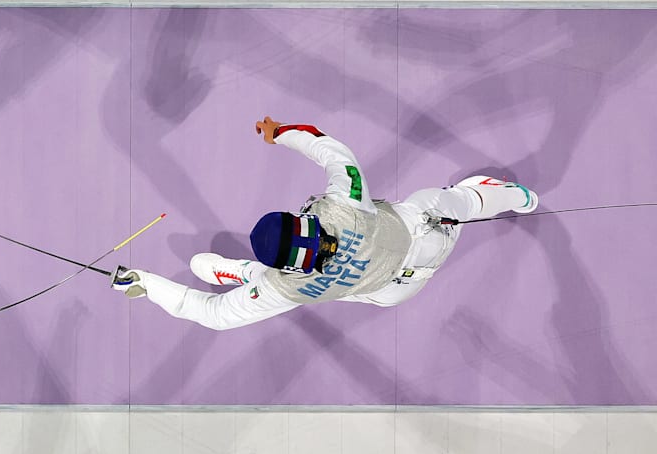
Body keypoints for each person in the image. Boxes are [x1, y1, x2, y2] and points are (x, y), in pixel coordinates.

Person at [111, 116, 539, 330]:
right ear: (306, 222)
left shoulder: (285, 284)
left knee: (280, 287)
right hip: (426, 234)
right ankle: (519, 197)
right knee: (448, 199)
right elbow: (331, 150)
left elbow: (210, 314)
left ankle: (243, 273)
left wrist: (146, 283)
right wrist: (280, 132)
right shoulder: (344, 206)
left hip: (394, 292)